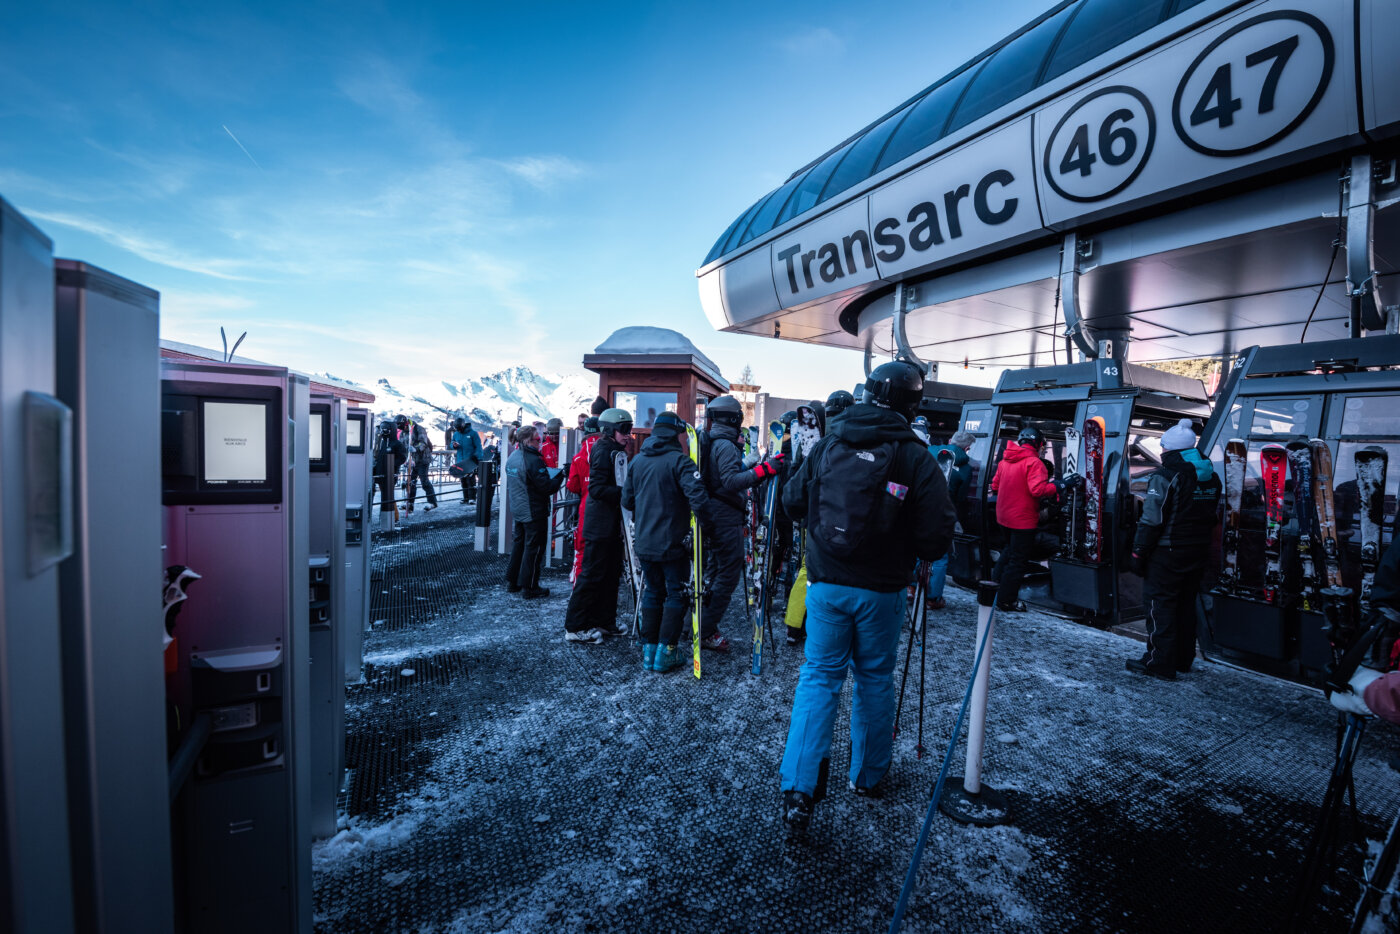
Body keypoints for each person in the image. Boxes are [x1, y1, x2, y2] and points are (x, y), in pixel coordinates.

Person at [778, 361, 955, 832]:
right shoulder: (914, 455)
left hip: (826, 584)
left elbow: (792, 502)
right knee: (874, 678)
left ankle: (799, 787)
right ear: (911, 403)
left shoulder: (831, 441)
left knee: (819, 676)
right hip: (882, 591)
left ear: (869, 393)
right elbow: (936, 537)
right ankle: (868, 776)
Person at [1125, 419, 1221, 680]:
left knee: (1160, 605)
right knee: (1185, 605)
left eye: (1163, 448)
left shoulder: (1165, 476)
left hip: (1167, 552)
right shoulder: (1210, 476)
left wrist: (1138, 551)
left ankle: (1158, 663)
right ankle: (1182, 659)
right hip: (1196, 551)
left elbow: (1152, 519)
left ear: (1169, 450)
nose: (1162, 452)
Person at [622, 412, 710, 672]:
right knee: (676, 593)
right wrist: (705, 528)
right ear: (676, 435)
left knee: (652, 591)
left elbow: (627, 501)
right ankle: (666, 650)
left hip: (645, 542)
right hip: (673, 543)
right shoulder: (680, 462)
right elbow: (700, 500)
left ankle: (649, 651)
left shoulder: (637, 461)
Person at [702, 395, 784, 652]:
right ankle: (706, 630)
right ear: (733, 418)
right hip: (725, 518)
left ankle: (699, 623)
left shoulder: (717, 442)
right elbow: (730, 481)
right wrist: (765, 471)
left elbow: (731, 473)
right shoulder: (724, 445)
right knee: (727, 574)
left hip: (719, 515)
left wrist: (755, 467)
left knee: (715, 572)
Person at [564, 409, 633, 643]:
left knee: (610, 574)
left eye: (629, 429)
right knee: (592, 574)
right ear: (609, 430)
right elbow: (597, 488)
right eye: (624, 430)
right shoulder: (604, 450)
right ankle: (575, 626)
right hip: (600, 524)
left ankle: (604, 620)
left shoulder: (614, 450)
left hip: (610, 523)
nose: (629, 435)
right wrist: (627, 493)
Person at [990, 426, 1062, 612]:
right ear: (1038, 444)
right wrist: (1059, 485)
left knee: (1009, 551)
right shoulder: (1035, 463)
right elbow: (1038, 490)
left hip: (1003, 517)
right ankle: (1006, 601)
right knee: (1018, 560)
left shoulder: (1005, 461)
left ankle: (992, 587)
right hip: (1023, 520)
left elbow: (995, 486)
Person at [505, 425, 565, 598]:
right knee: (535, 548)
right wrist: (561, 475)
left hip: (519, 508)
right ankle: (530, 586)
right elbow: (546, 487)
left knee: (519, 545)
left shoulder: (513, 456)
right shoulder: (532, 460)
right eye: (538, 440)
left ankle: (513, 581)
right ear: (528, 441)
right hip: (533, 510)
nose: (541, 442)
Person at [924, 429, 975, 609]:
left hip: (920, 508)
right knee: (939, 556)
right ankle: (933, 597)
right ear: (967, 448)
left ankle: (911, 587)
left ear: (950, 439)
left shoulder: (931, 451)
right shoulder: (966, 469)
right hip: (943, 514)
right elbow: (961, 499)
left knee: (915, 548)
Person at [566, 417, 601, 585]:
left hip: (586, 508)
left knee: (581, 549)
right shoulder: (610, 450)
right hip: (608, 509)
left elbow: (572, 486)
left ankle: (579, 588)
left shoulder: (579, 457)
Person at [397, 414, 438, 513]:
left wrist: (416, 448)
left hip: (423, 459)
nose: (404, 428)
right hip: (412, 461)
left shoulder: (418, 429)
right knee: (410, 482)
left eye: (404, 426)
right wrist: (405, 458)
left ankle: (432, 502)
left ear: (406, 423)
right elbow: (402, 446)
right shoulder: (403, 433)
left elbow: (423, 443)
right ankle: (409, 504)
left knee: (424, 481)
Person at [372, 418, 408, 520]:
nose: (383, 432)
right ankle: (386, 516)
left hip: (390, 474)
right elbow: (380, 457)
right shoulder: (383, 442)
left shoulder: (396, 444)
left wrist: (391, 465)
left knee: (388, 495)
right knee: (385, 495)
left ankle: (393, 517)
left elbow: (402, 458)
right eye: (382, 430)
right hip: (380, 473)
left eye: (385, 430)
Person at [450, 416, 484, 504]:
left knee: (470, 479)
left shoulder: (473, 434)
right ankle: (465, 498)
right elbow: (451, 443)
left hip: (470, 460)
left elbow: (479, 446)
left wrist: (478, 458)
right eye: (457, 429)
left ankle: (472, 498)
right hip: (460, 460)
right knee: (463, 479)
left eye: (459, 428)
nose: (458, 430)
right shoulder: (456, 434)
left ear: (463, 426)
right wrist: (454, 445)